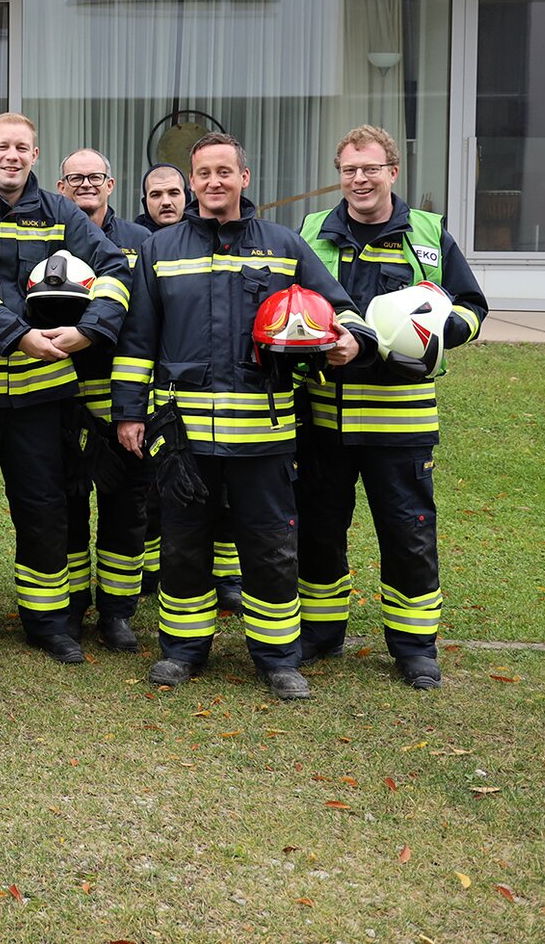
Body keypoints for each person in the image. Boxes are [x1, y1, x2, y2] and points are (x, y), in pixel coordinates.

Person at [113, 133, 364, 701]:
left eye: (225, 171)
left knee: (271, 546)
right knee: (183, 545)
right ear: (192, 181)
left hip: (263, 434)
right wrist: (129, 413)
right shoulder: (161, 249)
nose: (214, 182)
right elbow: (137, 339)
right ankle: (182, 650)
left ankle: (277, 658)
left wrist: (350, 338)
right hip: (184, 436)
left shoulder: (283, 245)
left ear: (244, 179)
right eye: (203, 173)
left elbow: (337, 307)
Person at [0, 114, 132, 667]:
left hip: (42, 395)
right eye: (2, 146)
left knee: (44, 508)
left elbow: (112, 266)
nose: (12, 156)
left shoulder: (62, 212)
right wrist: (17, 336)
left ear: (35, 155)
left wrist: (91, 329)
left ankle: (48, 621)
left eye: (23, 148)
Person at [296, 125, 487, 689]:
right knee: (320, 528)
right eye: (350, 169)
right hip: (324, 417)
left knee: (407, 531)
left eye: (371, 168)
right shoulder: (312, 232)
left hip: (400, 419)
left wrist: (444, 329)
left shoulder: (428, 235)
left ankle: (414, 647)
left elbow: (472, 304)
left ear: (392, 172)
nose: (360, 179)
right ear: (340, 173)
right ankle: (321, 631)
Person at [53, 149, 152, 652]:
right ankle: (71, 607)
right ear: (60, 185)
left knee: (126, 511)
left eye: (95, 177)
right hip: (60, 398)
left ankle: (116, 612)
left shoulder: (141, 242)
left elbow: (148, 320)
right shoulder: (49, 234)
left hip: (121, 399)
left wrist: (134, 402)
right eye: (76, 178)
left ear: (111, 183)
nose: (86, 184)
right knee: (66, 507)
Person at [134, 162, 227, 603]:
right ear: (144, 202)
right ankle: (154, 573)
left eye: (173, 193)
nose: (165, 201)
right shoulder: (141, 246)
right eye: (156, 195)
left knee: (221, 494)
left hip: (216, 399)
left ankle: (226, 578)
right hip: (157, 398)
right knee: (157, 494)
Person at [138, 164, 189, 230]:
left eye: (173, 193)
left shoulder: (203, 235)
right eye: (156, 195)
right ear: (146, 202)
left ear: (186, 198)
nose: (166, 202)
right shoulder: (133, 238)